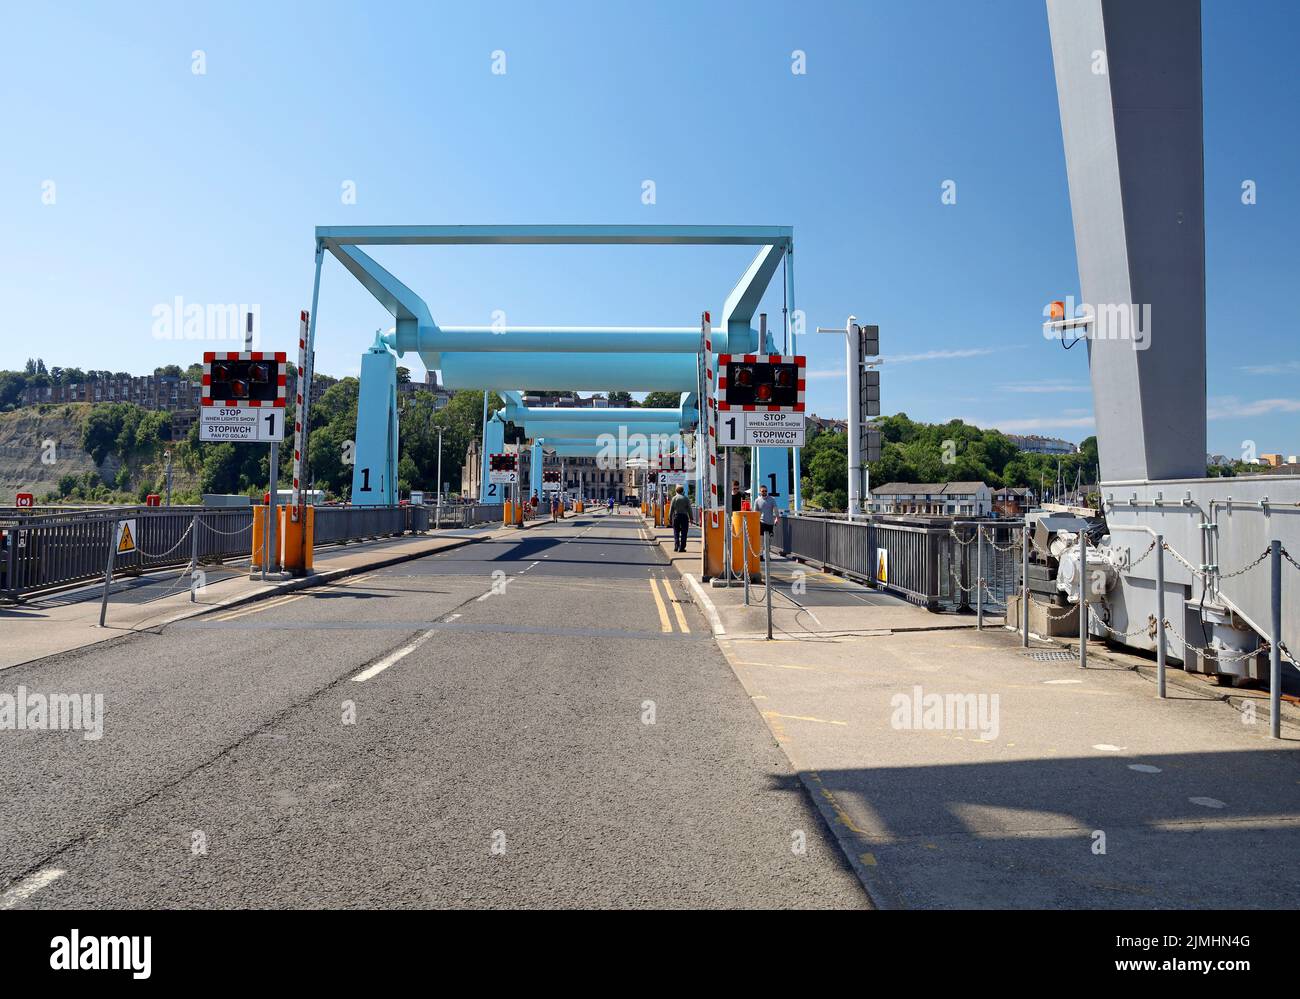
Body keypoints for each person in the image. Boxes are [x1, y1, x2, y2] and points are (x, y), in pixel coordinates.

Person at [669, 484, 692, 552]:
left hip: (676, 516)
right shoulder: (686, 498)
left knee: (676, 532)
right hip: (684, 517)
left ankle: (676, 546)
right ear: (682, 491)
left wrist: (670, 517)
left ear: (676, 491)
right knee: (684, 532)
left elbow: (671, 509)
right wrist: (691, 518)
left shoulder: (674, 498)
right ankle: (682, 547)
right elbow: (689, 509)